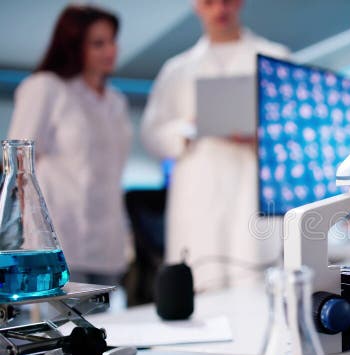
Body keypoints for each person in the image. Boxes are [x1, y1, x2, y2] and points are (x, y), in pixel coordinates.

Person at [141, 0, 289, 290]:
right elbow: (151, 135)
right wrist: (189, 127)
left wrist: (261, 133)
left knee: (258, 286)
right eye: (210, 2)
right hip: (199, 199)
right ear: (196, 6)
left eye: (227, 1)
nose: (220, 9)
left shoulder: (275, 57)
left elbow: (295, 129)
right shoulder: (176, 70)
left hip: (253, 196)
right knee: (202, 290)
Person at [7, 5, 132, 287]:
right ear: (74, 46)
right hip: (61, 239)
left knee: (103, 328)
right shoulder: (47, 87)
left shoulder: (117, 101)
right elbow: (17, 166)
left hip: (109, 243)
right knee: (61, 328)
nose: (110, 50)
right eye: (98, 43)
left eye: (112, 41)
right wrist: (18, 239)